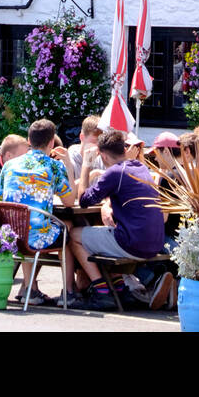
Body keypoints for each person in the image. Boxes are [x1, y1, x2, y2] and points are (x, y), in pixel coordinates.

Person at [69, 129, 169, 311]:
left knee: (74, 234)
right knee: (105, 232)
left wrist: (86, 166)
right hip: (155, 242)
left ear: (104, 156)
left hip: (133, 243)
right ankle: (120, 289)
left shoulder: (114, 173)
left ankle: (101, 291)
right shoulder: (140, 168)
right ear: (123, 149)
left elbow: (83, 200)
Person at [0, 119, 77, 306]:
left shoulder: (10, 165)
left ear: (29, 140)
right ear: (51, 143)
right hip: (36, 237)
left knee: (28, 224)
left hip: (12, 235)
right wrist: (69, 165)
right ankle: (69, 291)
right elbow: (70, 201)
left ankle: (30, 289)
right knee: (68, 227)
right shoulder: (54, 166)